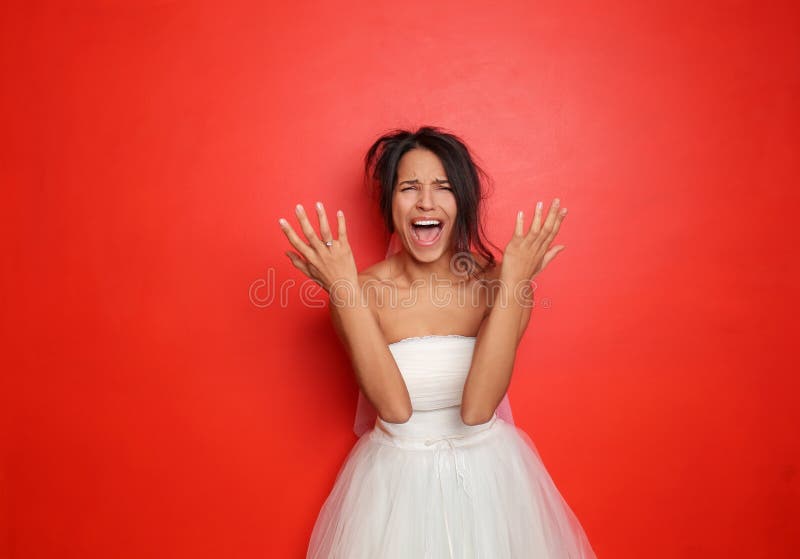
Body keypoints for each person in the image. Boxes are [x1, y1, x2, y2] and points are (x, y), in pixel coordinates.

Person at [278, 126, 597, 558]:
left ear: (462, 202)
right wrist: (343, 290)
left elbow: (478, 409)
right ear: (390, 205)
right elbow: (394, 409)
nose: (426, 202)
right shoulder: (359, 291)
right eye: (409, 188)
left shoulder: (501, 282)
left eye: (443, 187)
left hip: (490, 484)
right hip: (395, 492)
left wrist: (514, 284)